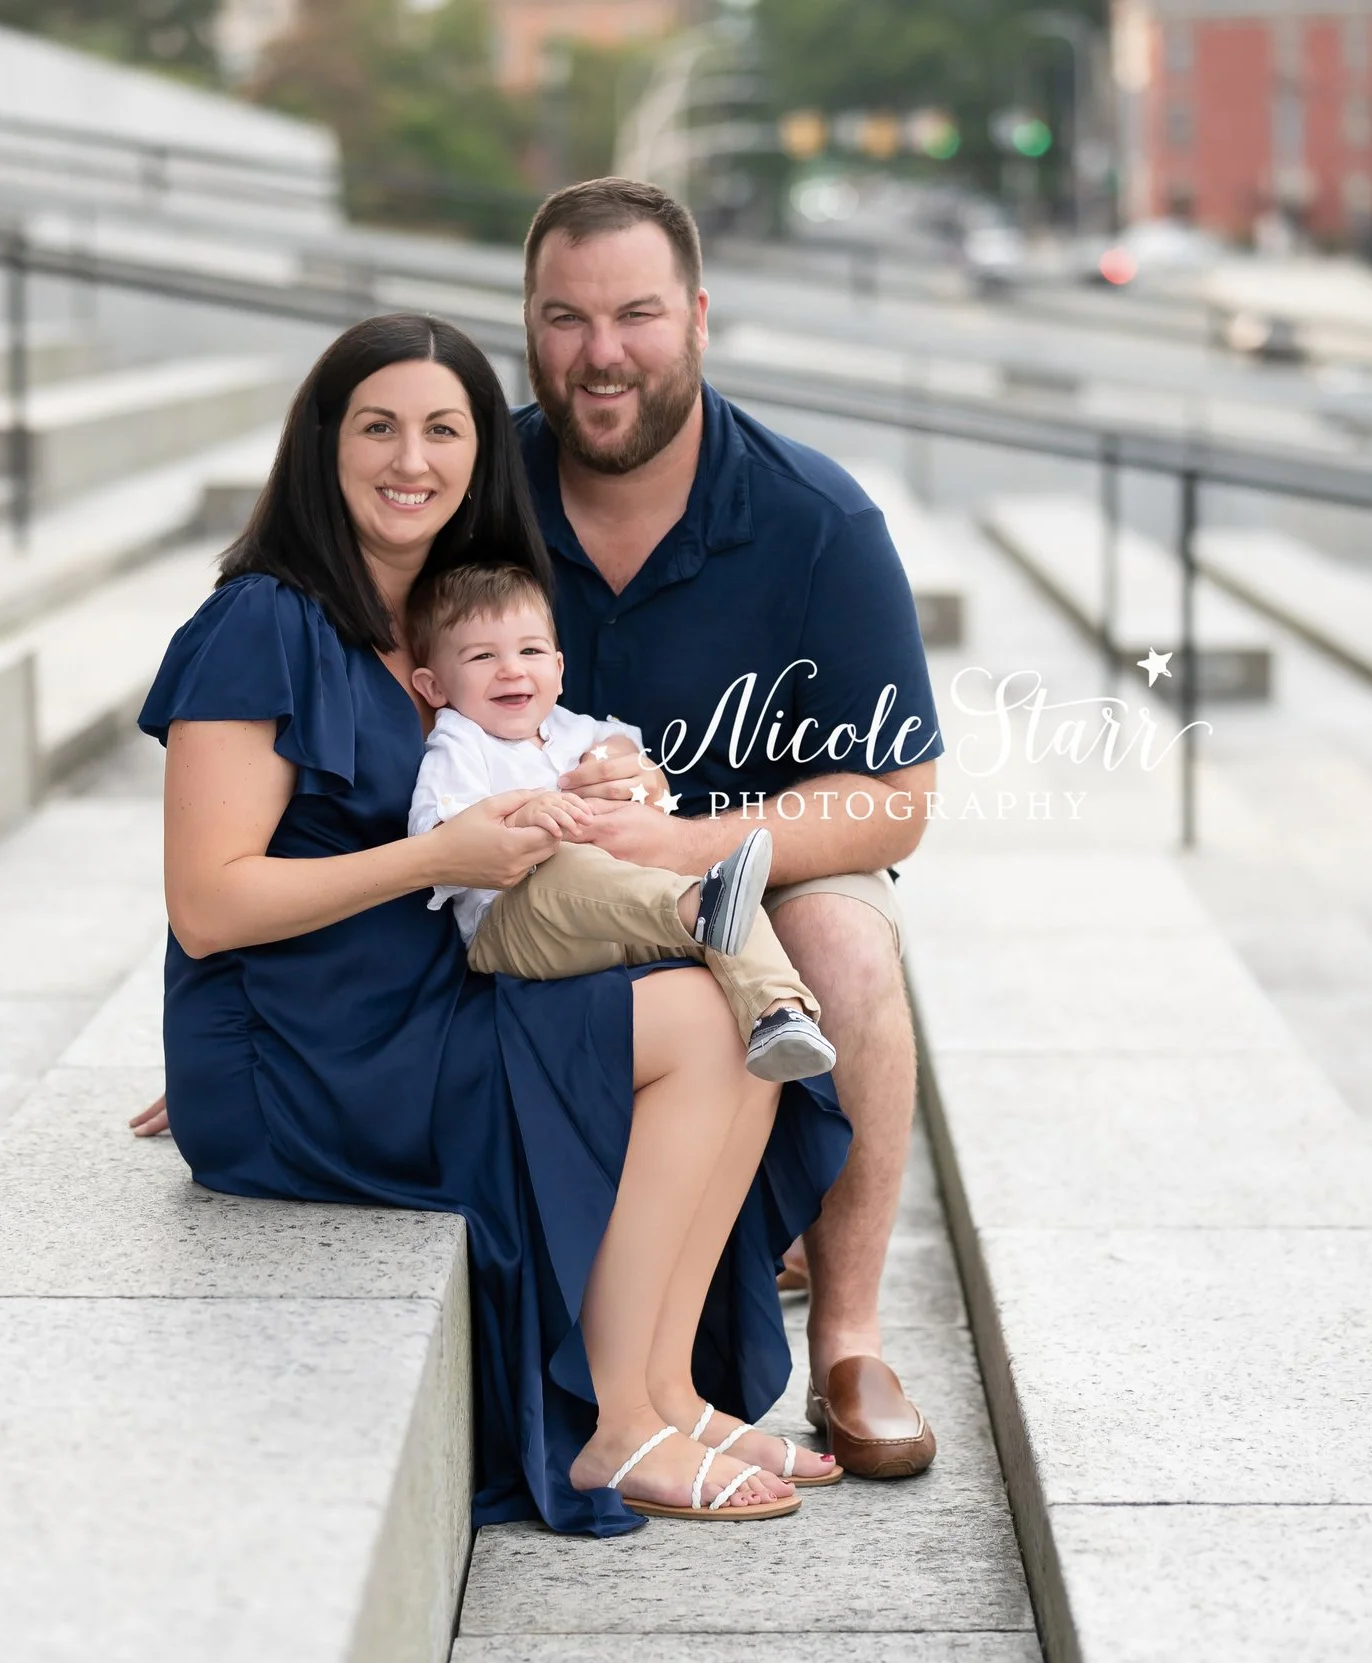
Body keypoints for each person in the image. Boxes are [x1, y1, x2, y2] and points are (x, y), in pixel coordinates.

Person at [133, 310, 850, 1535]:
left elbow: (504, 801)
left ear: (480, 454)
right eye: (377, 426)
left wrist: (602, 787)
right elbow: (207, 907)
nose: (410, 458)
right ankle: (616, 1425)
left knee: (730, 1016)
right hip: (308, 1050)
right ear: (321, 442)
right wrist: (442, 855)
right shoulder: (263, 621)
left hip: (406, 1001)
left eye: (443, 429)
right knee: (691, 1011)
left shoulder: (447, 626)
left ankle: (668, 1389)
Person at [516, 178, 945, 1479]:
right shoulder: (478, 497)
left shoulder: (818, 521)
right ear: (529, 329)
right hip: (523, 894)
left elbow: (898, 799)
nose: (602, 352)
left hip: (740, 885)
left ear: (699, 317)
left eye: (637, 312)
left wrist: (698, 847)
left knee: (851, 939)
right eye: (565, 317)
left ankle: (853, 1341)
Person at [402, 560, 839, 1083]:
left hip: (614, 918)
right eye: (482, 656)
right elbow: (435, 842)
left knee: (729, 904)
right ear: (433, 687)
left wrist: (620, 755)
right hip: (514, 926)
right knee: (569, 871)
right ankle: (698, 905)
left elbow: (627, 743)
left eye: (531, 651)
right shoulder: (460, 742)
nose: (513, 669)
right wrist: (521, 816)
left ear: (559, 670)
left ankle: (779, 1013)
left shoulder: (567, 728)